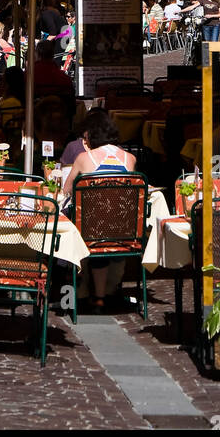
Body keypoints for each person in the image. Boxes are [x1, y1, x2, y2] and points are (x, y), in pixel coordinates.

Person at [63, 112, 137, 311]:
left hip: (92, 229)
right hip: (124, 228)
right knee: (108, 229)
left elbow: (67, 189)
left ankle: (85, 291)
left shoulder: (83, 158)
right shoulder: (129, 158)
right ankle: (105, 293)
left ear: (90, 135)